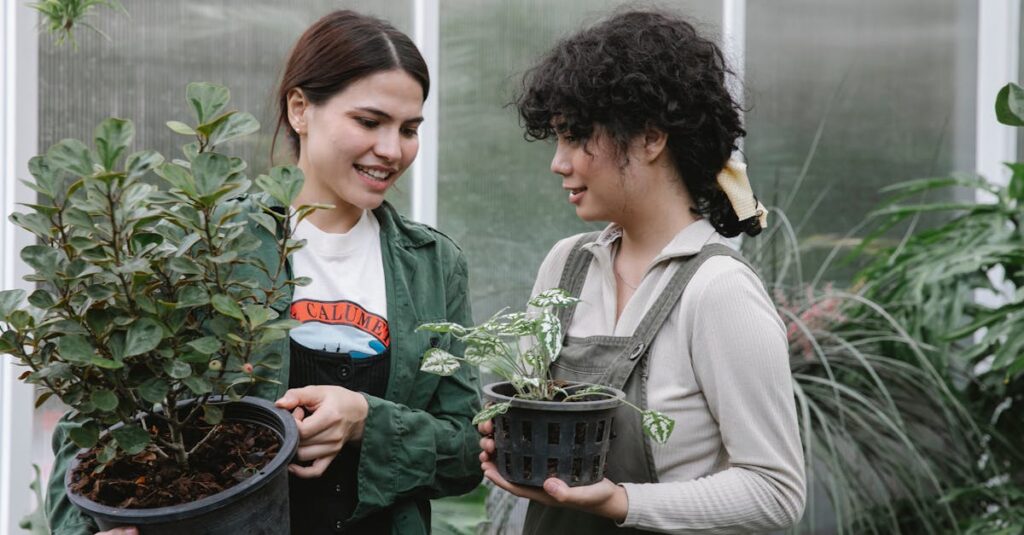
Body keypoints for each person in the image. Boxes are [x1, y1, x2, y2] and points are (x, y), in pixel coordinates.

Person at [46, 10, 481, 535]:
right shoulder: (206, 246)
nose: (392, 150)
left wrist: (368, 417)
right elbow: (89, 433)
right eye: (368, 122)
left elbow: (464, 449)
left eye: (408, 129)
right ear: (300, 108)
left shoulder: (432, 265)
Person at [478, 9, 806, 534]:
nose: (558, 163)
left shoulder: (718, 290)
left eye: (576, 136)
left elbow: (776, 493)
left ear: (651, 138)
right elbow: (528, 414)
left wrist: (622, 503)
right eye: (556, 139)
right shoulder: (567, 265)